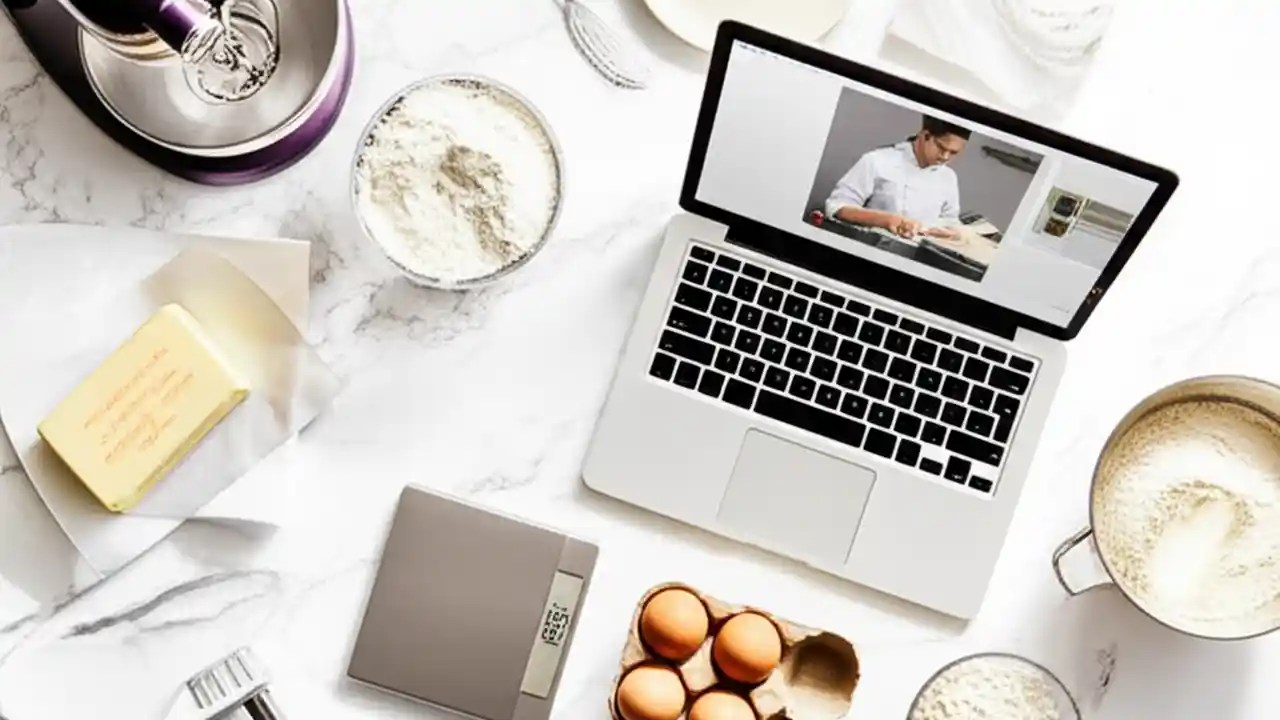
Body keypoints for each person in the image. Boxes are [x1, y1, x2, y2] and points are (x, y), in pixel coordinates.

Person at [824, 115, 969, 239]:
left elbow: (950, 221)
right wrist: (886, 220)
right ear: (925, 135)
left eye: (953, 153)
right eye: (941, 148)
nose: (945, 157)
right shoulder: (877, 160)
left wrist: (953, 233)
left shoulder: (948, 177)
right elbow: (836, 207)